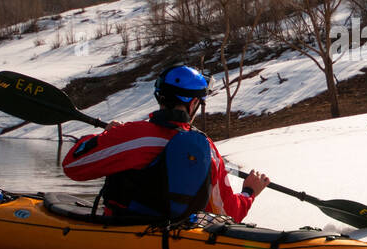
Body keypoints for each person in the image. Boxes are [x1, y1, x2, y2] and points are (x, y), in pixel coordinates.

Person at [61, 65, 268, 220]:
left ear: (160, 97)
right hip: (176, 238)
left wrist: (103, 136)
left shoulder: (134, 136)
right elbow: (228, 213)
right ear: (194, 103)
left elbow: (73, 165)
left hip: (120, 229)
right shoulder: (206, 149)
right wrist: (249, 192)